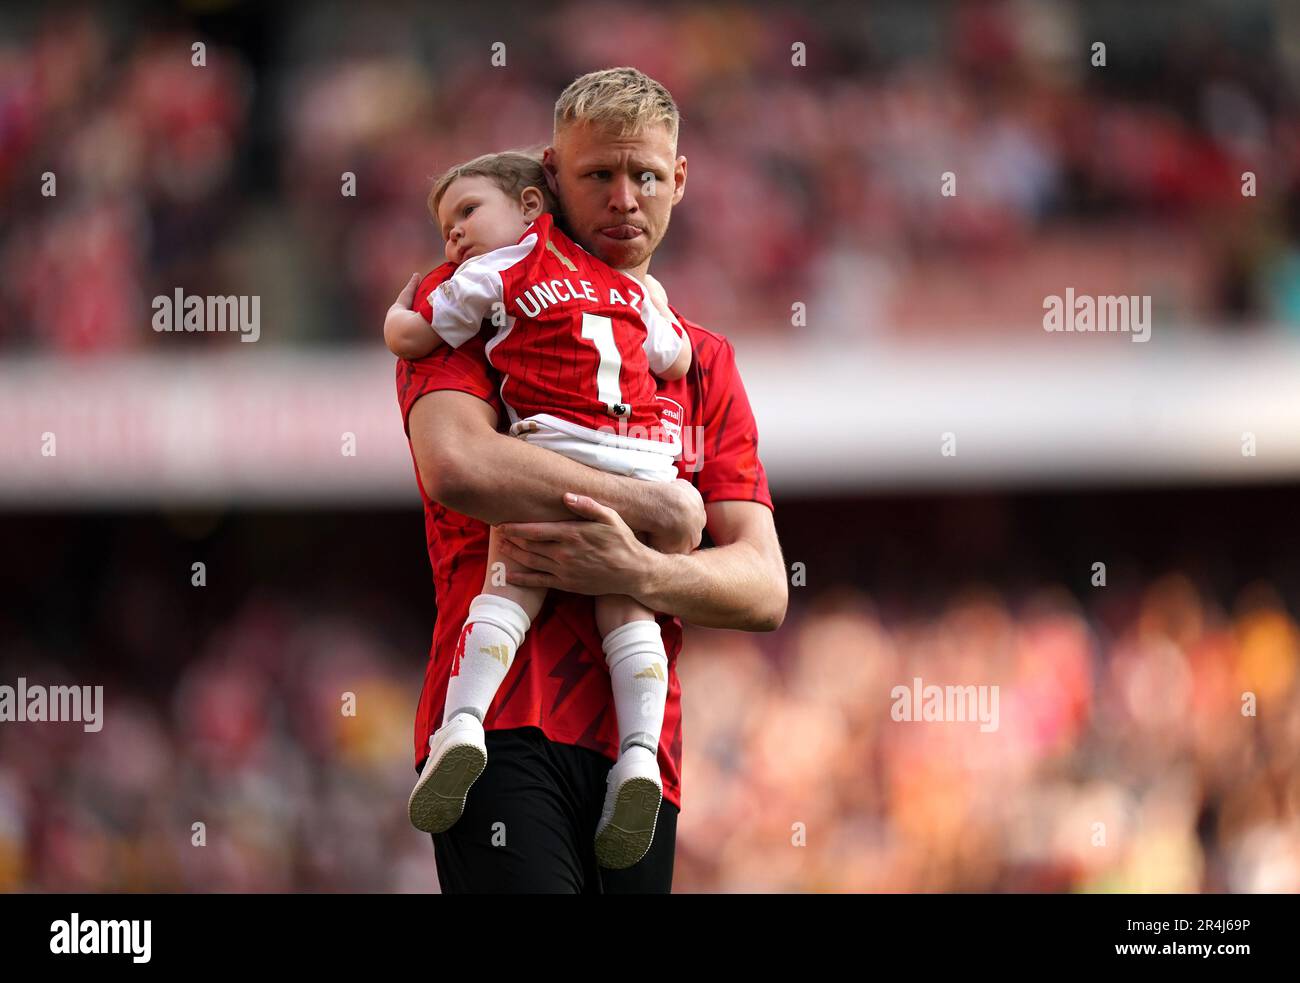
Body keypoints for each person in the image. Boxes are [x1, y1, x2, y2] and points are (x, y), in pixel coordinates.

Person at [394, 67, 787, 893]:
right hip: (496, 726)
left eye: (644, 175)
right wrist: (654, 504)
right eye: (596, 176)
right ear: (550, 177)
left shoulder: (702, 358)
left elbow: (762, 585)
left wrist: (639, 570)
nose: (623, 198)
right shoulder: (482, 303)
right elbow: (458, 464)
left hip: (636, 758)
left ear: (678, 180)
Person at [386, 149, 693, 869]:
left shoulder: (488, 276)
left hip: (554, 444)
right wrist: (663, 506)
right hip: (642, 457)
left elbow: (419, 339)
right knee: (630, 605)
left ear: (530, 206)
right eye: (444, 225)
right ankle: (641, 757)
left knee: (513, 572)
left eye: (466, 213)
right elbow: (675, 355)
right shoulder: (630, 291)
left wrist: (400, 312)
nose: (453, 237)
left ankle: (464, 721)